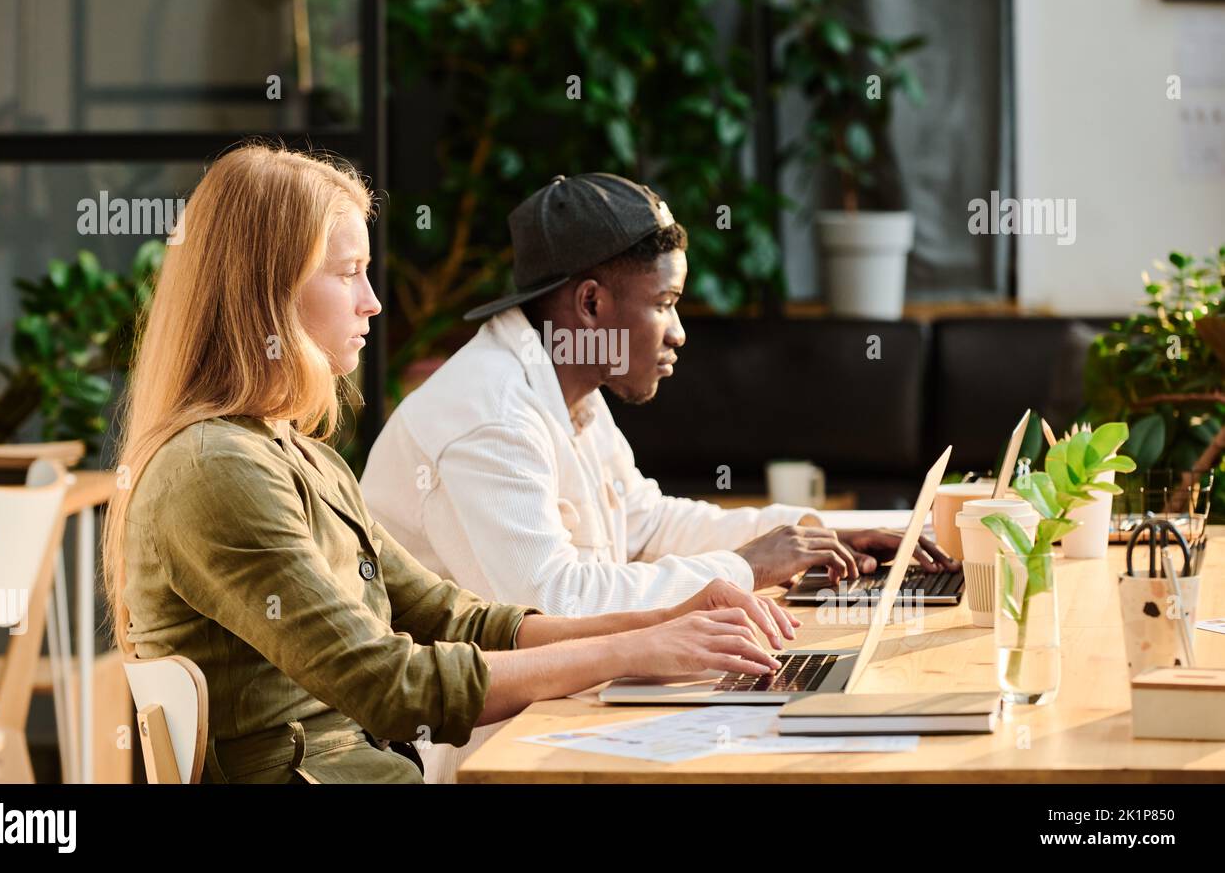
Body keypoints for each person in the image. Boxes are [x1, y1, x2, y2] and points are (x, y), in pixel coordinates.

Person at [101, 146, 797, 784]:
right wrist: (636, 650)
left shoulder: (297, 455)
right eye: (348, 274)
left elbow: (457, 619)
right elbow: (389, 685)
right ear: (266, 291)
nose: (373, 301)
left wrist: (660, 623)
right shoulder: (214, 470)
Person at [362, 172, 957, 621]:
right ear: (591, 305)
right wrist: (747, 567)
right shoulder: (489, 417)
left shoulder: (571, 390)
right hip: (465, 747)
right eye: (665, 304)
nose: (679, 333)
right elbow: (552, 603)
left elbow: (646, 525)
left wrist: (812, 534)